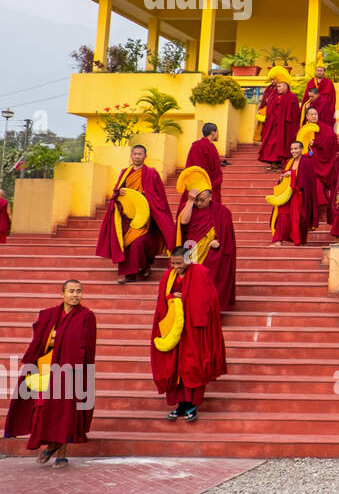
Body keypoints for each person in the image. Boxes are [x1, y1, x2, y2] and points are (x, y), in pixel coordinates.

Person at [2, 279, 97, 468]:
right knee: (44, 408)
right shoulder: (49, 315)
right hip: (47, 369)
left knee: (66, 412)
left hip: (72, 370)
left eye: (79, 291)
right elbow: (39, 340)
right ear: (62, 293)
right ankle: (50, 444)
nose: (75, 295)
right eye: (71, 291)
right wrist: (55, 340)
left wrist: (57, 338)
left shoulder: (87, 316)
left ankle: (59, 453)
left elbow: (87, 345)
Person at [151, 246, 227, 423]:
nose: (176, 267)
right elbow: (162, 297)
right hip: (174, 327)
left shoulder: (200, 273)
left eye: (179, 263)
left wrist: (183, 297)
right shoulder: (168, 275)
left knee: (191, 366)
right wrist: (172, 298)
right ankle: (180, 405)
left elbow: (209, 299)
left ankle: (192, 404)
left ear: (188, 259)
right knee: (174, 366)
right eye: (173, 263)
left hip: (193, 329)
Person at [96, 144, 175, 284]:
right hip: (129, 216)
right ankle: (129, 275)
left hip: (146, 216)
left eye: (140, 154)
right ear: (131, 155)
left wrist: (147, 200)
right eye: (135, 154)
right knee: (127, 243)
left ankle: (145, 266)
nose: (137, 156)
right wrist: (118, 193)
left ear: (145, 156)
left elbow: (159, 196)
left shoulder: (152, 173)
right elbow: (117, 192)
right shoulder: (125, 172)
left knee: (141, 242)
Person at [176, 183, 237, 309]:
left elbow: (226, 236)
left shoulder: (221, 211)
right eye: (196, 200)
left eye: (202, 200)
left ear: (210, 197)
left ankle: (210, 308)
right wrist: (190, 201)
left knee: (209, 276)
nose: (198, 203)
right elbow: (183, 221)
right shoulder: (189, 206)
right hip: (190, 248)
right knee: (190, 278)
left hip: (211, 249)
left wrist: (218, 241)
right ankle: (191, 307)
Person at [269, 140, 319, 246]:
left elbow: (306, 180)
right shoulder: (289, 162)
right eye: (292, 149)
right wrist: (282, 178)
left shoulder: (306, 162)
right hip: (287, 195)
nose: (293, 151)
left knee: (298, 217)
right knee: (282, 215)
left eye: (296, 149)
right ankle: (278, 240)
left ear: (301, 149)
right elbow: (284, 176)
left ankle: (299, 240)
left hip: (299, 195)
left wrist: (291, 174)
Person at [298, 105, 339, 210]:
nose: (314, 116)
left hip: (321, 158)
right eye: (311, 114)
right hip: (309, 158)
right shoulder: (304, 129)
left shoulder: (325, 128)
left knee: (318, 180)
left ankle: (322, 203)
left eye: (315, 114)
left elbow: (330, 140)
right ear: (307, 116)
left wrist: (316, 143)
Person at [258, 77, 300, 170]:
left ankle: (282, 163)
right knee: (271, 144)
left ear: (286, 86)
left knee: (283, 144)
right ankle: (274, 162)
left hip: (286, 126)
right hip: (274, 124)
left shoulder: (292, 97)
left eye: (280, 86)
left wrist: (290, 125)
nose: (278, 89)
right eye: (277, 87)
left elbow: (295, 114)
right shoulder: (275, 96)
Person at [185, 124, 223, 202]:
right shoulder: (208, 147)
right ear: (213, 133)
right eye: (217, 132)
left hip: (198, 187)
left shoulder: (197, 146)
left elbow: (189, 167)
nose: (218, 134)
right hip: (207, 187)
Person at [300, 63, 337, 127]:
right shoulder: (310, 82)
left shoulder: (329, 83)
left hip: (324, 110)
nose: (319, 72)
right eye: (317, 70)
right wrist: (305, 106)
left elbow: (332, 99)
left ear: (324, 72)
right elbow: (306, 97)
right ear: (315, 71)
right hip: (312, 108)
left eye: (321, 70)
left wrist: (330, 111)